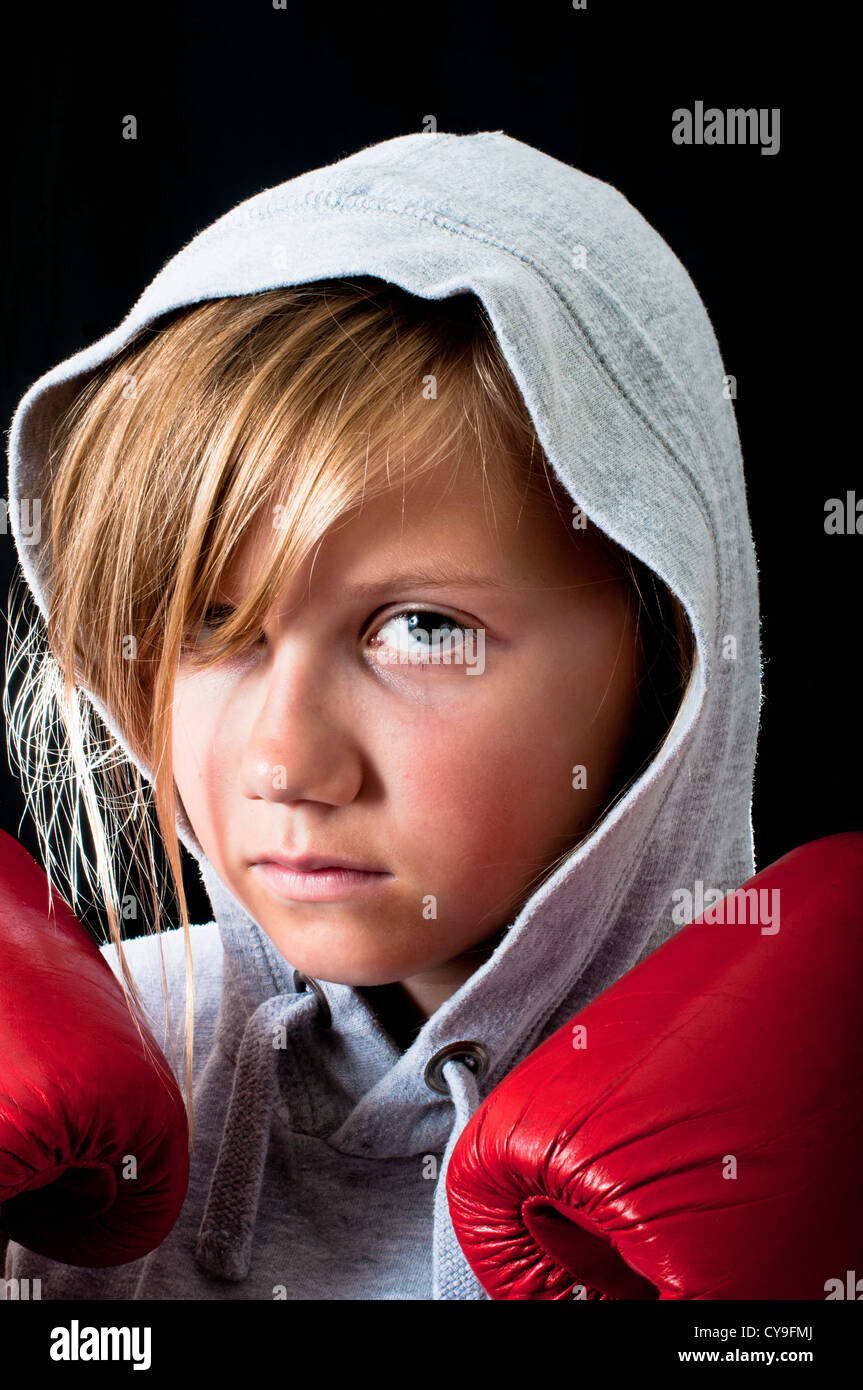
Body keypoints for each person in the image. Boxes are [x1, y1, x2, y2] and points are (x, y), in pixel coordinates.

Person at [2, 129, 758, 1299]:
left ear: (668, 648)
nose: (284, 762)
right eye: (207, 623)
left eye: (419, 628)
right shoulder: (92, 1076)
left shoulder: (792, 1112)